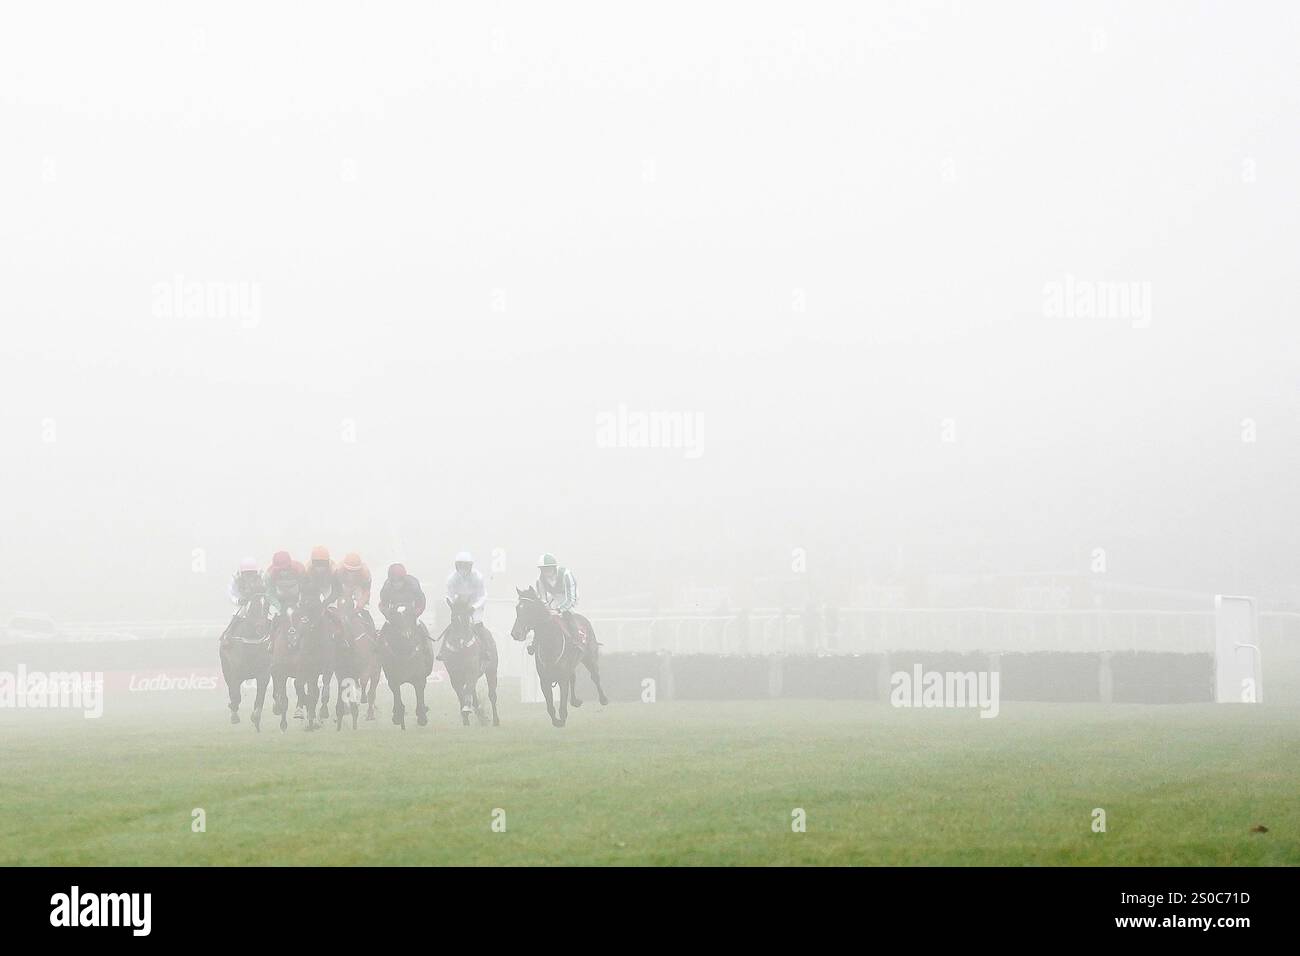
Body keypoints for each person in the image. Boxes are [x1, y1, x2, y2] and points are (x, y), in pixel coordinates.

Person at [531, 553, 582, 654]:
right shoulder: (539, 580)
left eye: (549, 568)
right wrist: (547, 609)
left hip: (570, 596)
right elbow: (543, 599)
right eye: (544, 569)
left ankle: (576, 641)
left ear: (554, 567)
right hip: (554, 597)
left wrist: (559, 610)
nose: (546, 571)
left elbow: (571, 599)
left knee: (567, 614)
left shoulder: (566, 574)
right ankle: (535, 643)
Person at [441, 552, 490, 657]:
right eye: (460, 565)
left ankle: (486, 650)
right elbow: (448, 595)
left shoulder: (478, 577)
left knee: (478, 625)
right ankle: (442, 651)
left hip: (474, 606)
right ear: (456, 566)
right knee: (453, 625)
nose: (462, 568)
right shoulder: (452, 578)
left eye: (465, 566)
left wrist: (474, 607)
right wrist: (453, 605)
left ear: (470, 566)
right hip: (459, 607)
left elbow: (483, 596)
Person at [378, 563, 431, 646]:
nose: (396, 584)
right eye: (394, 581)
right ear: (390, 580)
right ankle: (377, 651)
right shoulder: (387, 586)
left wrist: (415, 613)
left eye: (399, 581)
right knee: (383, 632)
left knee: (422, 631)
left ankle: (427, 651)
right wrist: (387, 613)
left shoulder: (413, 584)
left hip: (411, 616)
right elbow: (382, 604)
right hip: (394, 617)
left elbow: (421, 601)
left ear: (404, 579)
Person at [220, 557, 267, 642]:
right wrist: (238, 600)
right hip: (243, 602)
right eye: (247, 573)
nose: (249, 576)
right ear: (242, 573)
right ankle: (227, 635)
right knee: (237, 614)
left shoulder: (262, 576)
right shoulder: (235, 577)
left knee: (268, 615)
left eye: (252, 573)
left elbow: (268, 589)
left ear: (256, 572)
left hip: (259, 600)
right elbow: (230, 593)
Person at [335, 552, 375, 632]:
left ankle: (369, 624)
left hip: (358, 586)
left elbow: (366, 591)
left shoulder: (366, 574)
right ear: (344, 568)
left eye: (355, 571)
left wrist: (360, 606)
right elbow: (336, 589)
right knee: (343, 602)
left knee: (363, 607)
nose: (351, 573)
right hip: (344, 585)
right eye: (349, 570)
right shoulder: (338, 571)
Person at [263, 551, 307, 619]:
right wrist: (279, 607)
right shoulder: (269, 576)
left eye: (286, 569)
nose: (284, 572)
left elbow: (304, 590)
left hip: (296, 600)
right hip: (280, 602)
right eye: (280, 570)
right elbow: (270, 594)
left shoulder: (299, 571)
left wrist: (300, 603)